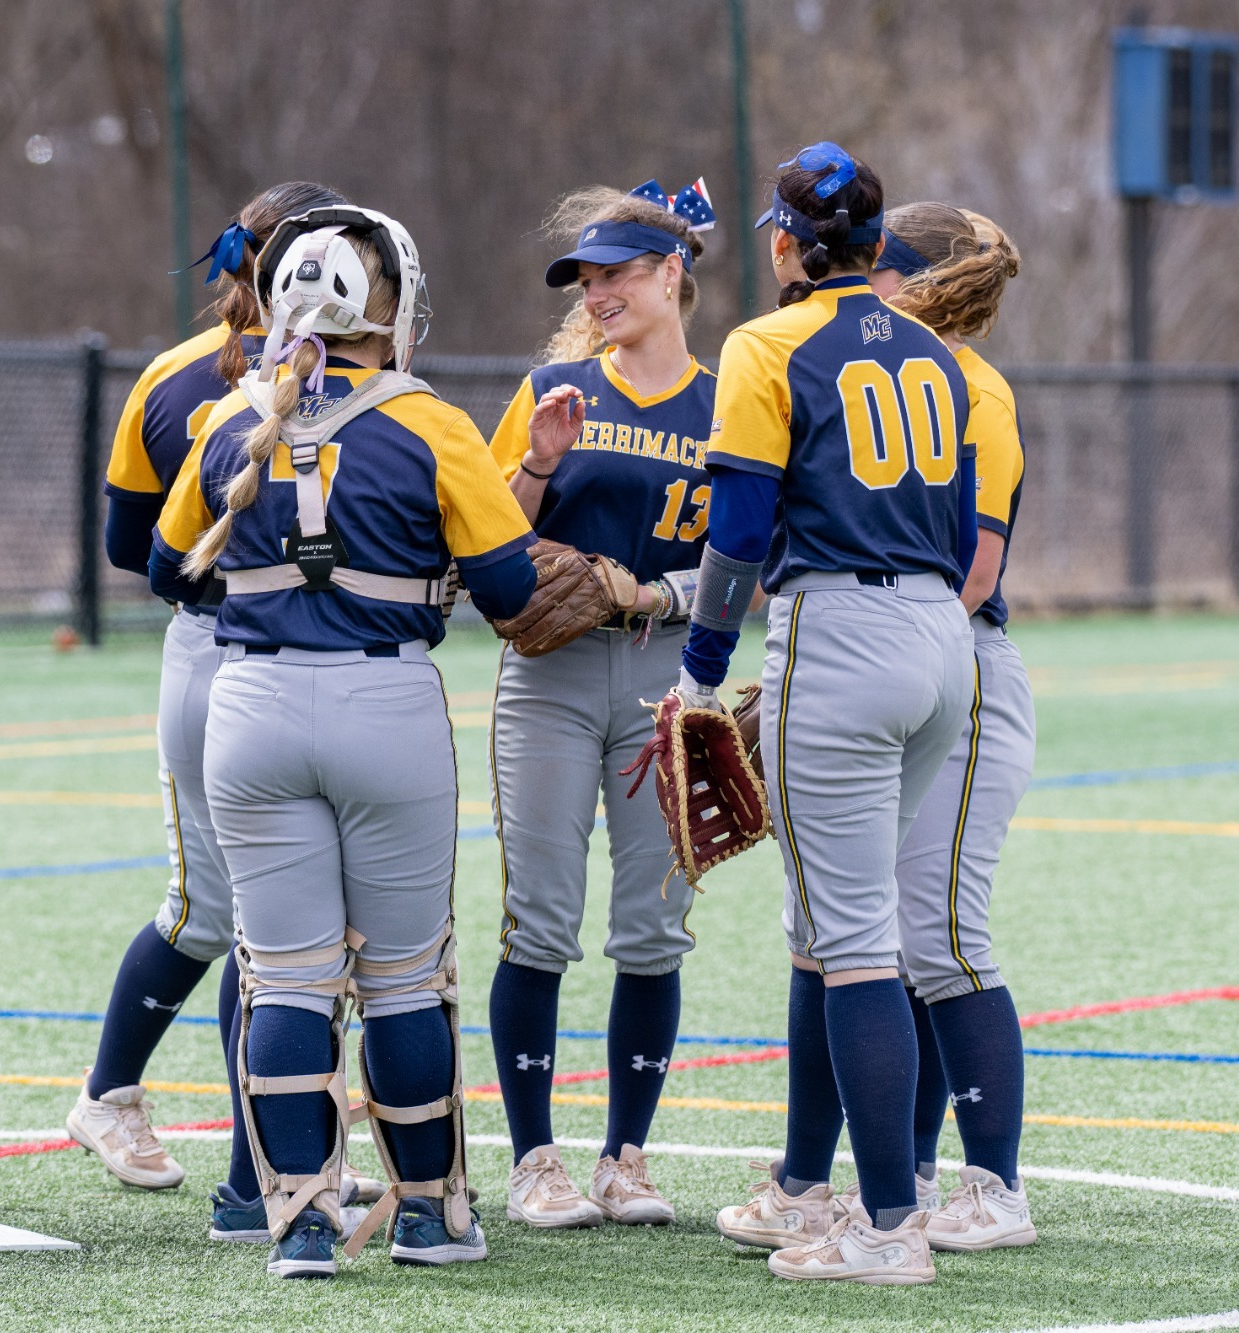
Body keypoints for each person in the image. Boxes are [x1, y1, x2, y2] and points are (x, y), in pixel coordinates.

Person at [150, 205, 539, 1278]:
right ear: (390, 304)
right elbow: (510, 589)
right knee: (405, 980)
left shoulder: (231, 416)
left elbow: (167, 567)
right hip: (383, 700)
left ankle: (300, 1221)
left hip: (251, 704)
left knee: (283, 978)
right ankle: (427, 1215)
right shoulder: (428, 422)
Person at [65, 183, 387, 1238]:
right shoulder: (301, 378)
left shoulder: (184, 373)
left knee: (249, 918)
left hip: (244, 649)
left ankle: (229, 1146)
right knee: (252, 923)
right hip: (252, 653)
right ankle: (256, 1176)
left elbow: (132, 547)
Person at [685, 143, 977, 1286]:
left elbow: (736, 535)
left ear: (786, 244)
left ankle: (888, 1223)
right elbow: (958, 527)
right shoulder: (932, 350)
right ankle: (805, 1190)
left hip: (840, 632)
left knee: (850, 938)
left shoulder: (766, 343)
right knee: (832, 929)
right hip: (939, 636)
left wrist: (699, 671)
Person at [482, 179, 718, 1229]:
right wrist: (537, 464)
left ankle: (626, 1156)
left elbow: (756, 556)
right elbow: (490, 542)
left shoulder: (730, 400)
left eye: (617, 272)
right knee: (539, 918)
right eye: (586, 279)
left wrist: (661, 594)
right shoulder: (554, 387)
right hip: (554, 675)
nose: (597, 293)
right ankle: (534, 1158)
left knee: (653, 926)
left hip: (668, 670)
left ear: (671, 273)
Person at [874, 202, 1036, 1252]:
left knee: (941, 934)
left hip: (962, 669)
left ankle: (995, 1186)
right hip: (915, 665)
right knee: (896, 940)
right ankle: (921, 1169)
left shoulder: (973, 388)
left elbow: (976, 568)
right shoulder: (892, 376)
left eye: (879, 267)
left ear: (920, 284)